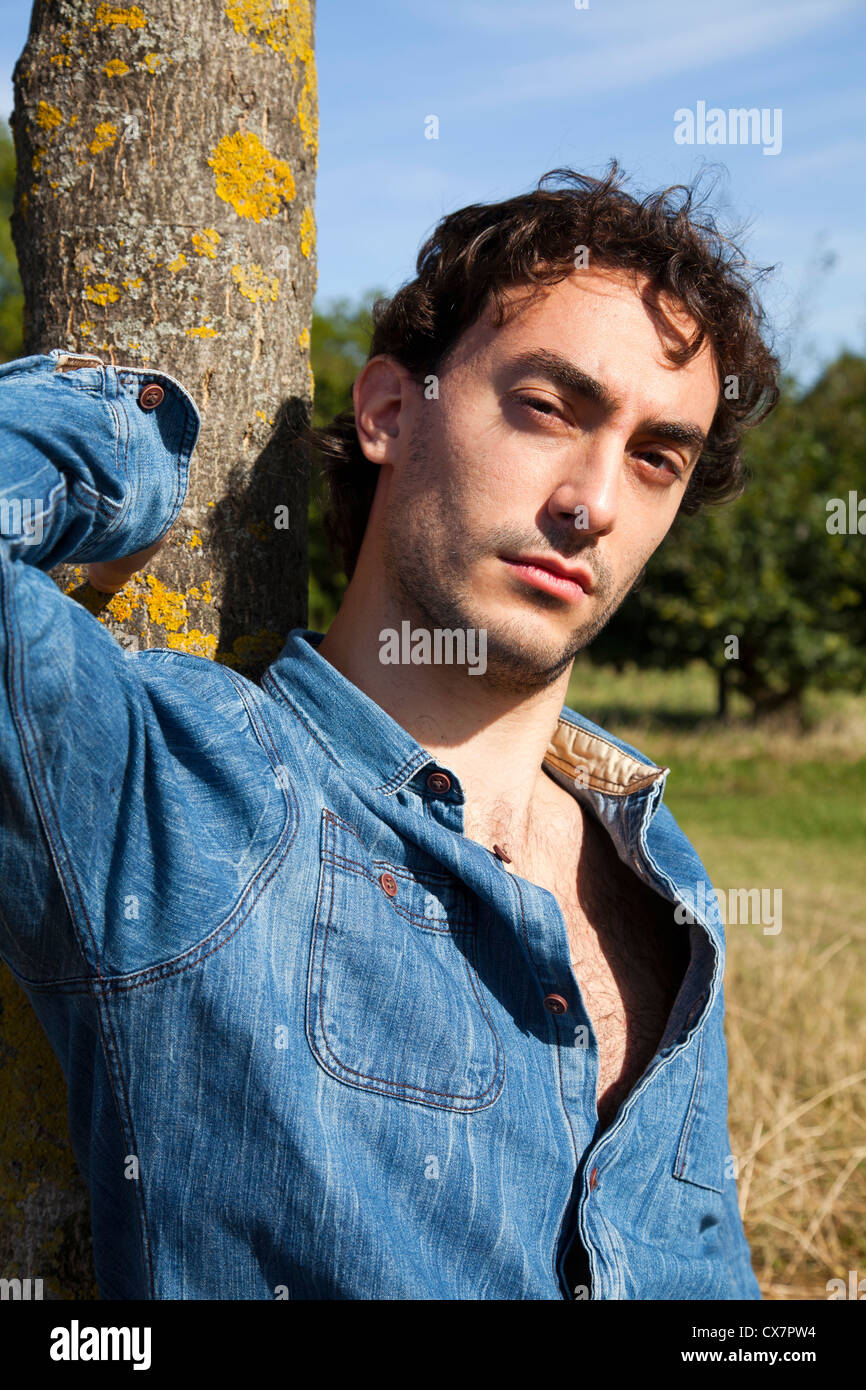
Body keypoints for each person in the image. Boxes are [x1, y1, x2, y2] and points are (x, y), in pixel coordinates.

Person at [0, 165, 779, 1300]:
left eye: (654, 455)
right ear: (387, 412)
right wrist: (130, 431)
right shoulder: (183, 793)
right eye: (547, 407)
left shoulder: (658, 873)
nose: (592, 501)